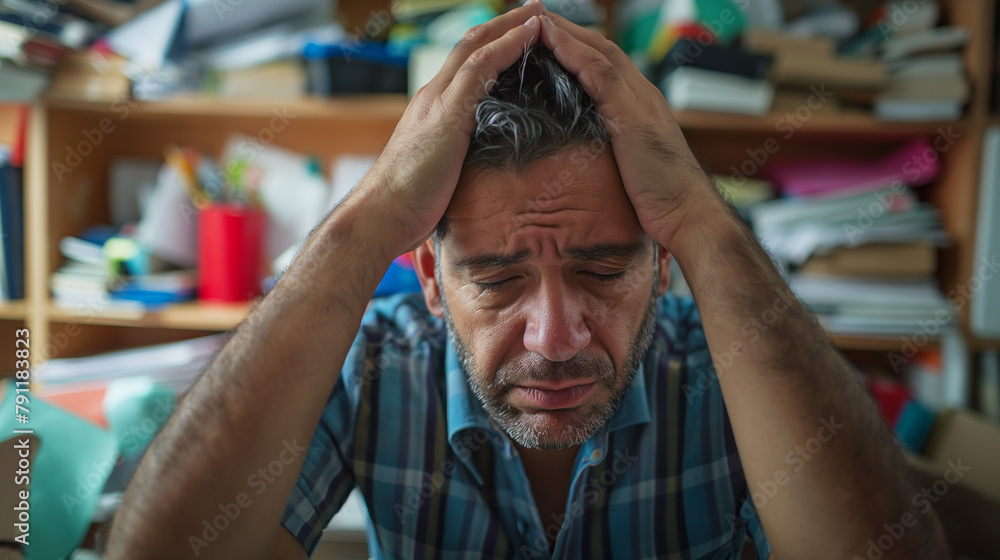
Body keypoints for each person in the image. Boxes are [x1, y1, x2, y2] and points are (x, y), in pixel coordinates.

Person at [105, 3, 949, 559]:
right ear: (430, 279)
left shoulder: (733, 380)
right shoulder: (372, 372)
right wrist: (363, 225)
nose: (555, 339)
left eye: (604, 268)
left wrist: (703, 216)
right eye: (499, 280)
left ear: (663, 270)